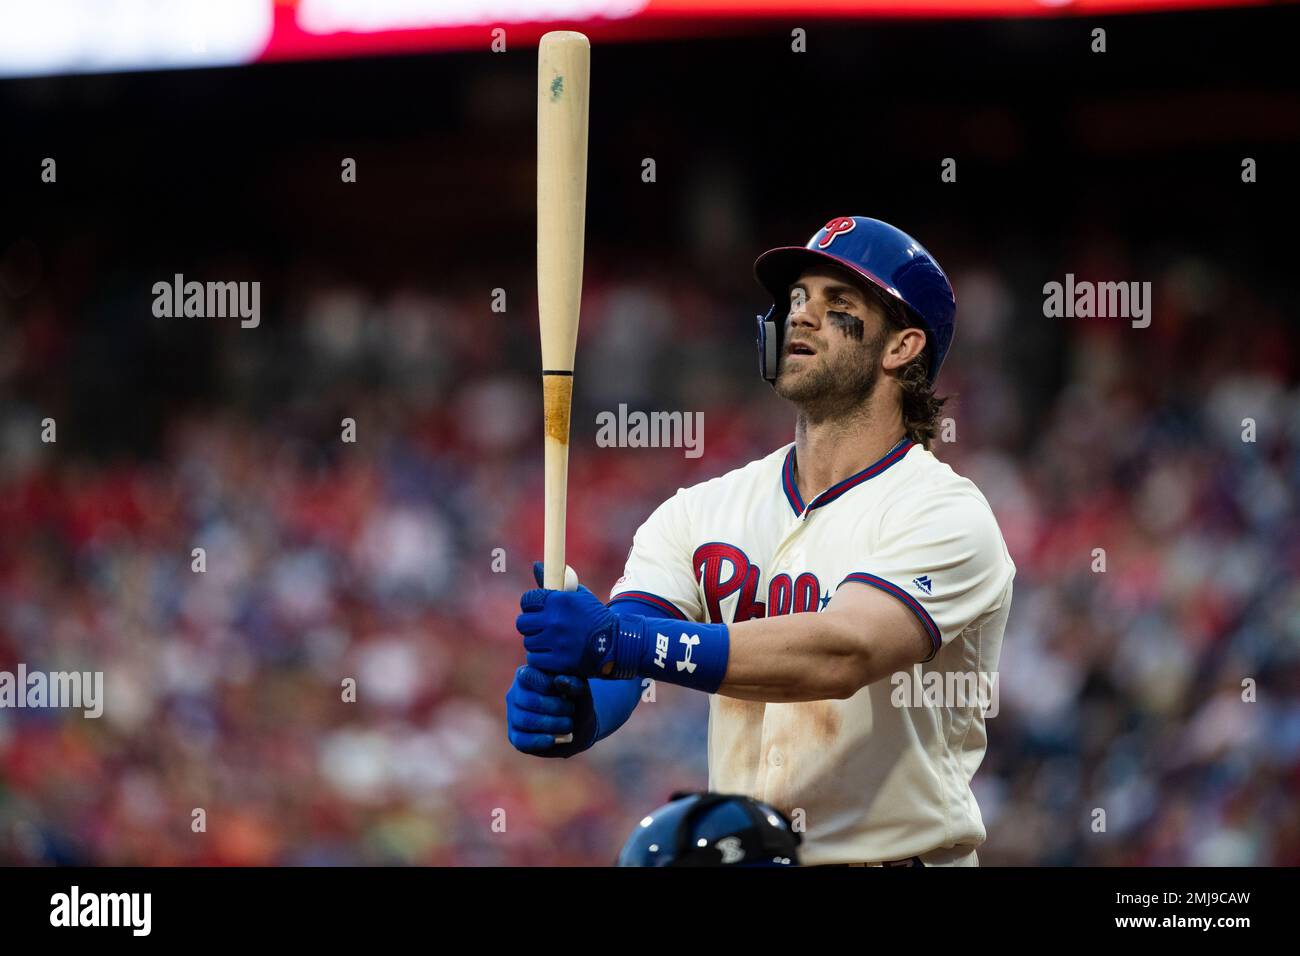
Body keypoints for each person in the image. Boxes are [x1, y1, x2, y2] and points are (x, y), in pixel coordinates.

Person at [506, 216, 1015, 866]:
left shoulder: (944, 513)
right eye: (796, 300)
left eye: (838, 306)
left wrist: (619, 644)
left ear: (901, 346)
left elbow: (844, 653)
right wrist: (577, 706)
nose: (800, 317)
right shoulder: (701, 508)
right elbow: (627, 647)